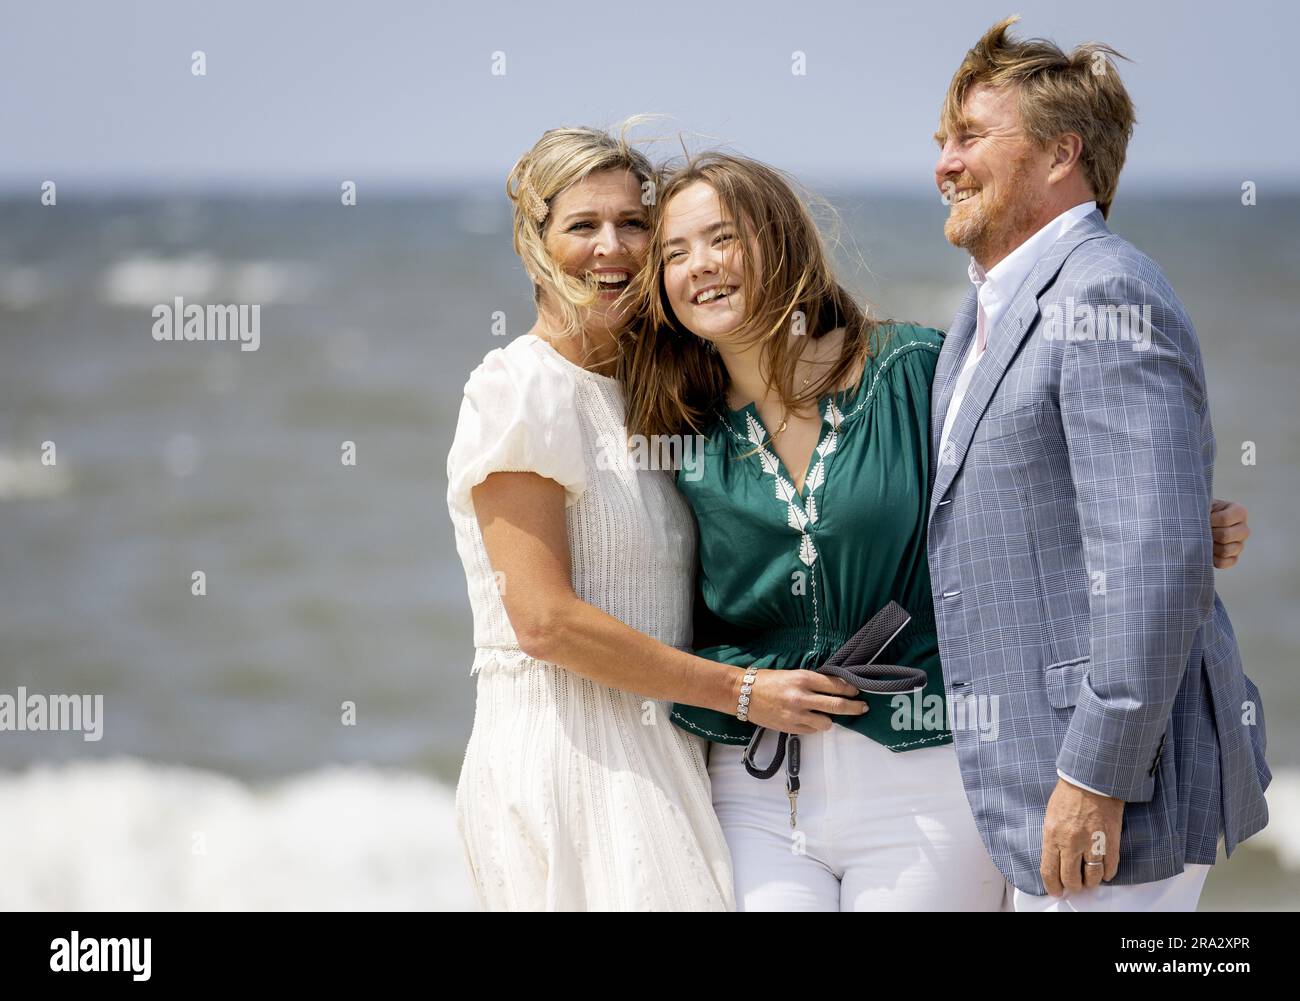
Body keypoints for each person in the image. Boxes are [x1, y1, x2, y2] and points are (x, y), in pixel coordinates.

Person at [445, 126, 863, 910]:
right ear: (535, 243)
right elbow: (544, 621)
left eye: (634, 224)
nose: (612, 247)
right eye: (582, 226)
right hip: (570, 762)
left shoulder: (659, 391)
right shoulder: (516, 390)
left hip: (672, 751)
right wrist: (743, 691)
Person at [926, 16, 1270, 910]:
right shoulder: (981, 316)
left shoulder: (1103, 289)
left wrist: (1096, 776)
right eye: (941, 143)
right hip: (1024, 783)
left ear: (1058, 154)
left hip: (1111, 792)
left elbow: (1152, 560)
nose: (944, 166)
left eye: (969, 138)